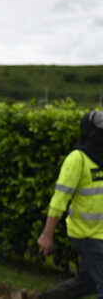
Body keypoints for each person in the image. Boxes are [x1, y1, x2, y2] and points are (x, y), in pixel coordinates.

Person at [36, 110, 103, 298]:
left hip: (100, 235)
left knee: (87, 283)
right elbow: (59, 200)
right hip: (87, 235)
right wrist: (47, 235)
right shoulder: (77, 159)